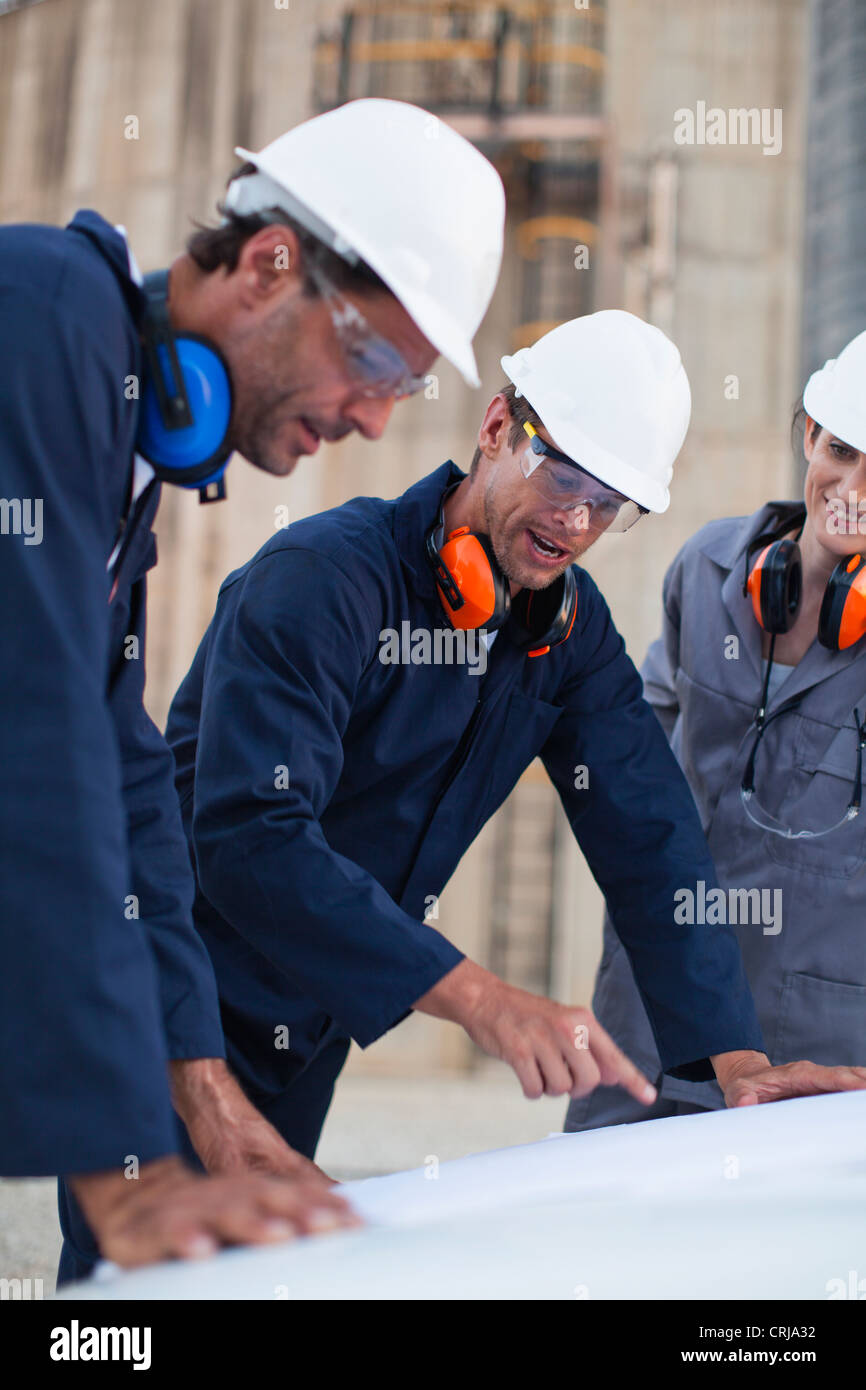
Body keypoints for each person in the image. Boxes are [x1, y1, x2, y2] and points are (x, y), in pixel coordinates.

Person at [164, 310, 866, 1182]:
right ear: (497, 426)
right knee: (139, 1282)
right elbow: (249, 837)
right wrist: (481, 1001)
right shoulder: (319, 580)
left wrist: (736, 1064)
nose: (578, 520)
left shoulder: (563, 632)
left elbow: (651, 841)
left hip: (314, 1011)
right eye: (566, 473)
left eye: (610, 503)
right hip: (174, 997)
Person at [0, 97, 505, 1278]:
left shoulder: (115, 455)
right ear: (270, 263)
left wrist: (206, 1104)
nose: (375, 417)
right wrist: (124, 1171)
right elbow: (36, 739)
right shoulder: (45, 320)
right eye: (371, 360)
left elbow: (124, 780)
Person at [566, 328, 866, 1136]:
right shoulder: (705, 571)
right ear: (808, 432)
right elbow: (638, 779)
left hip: (803, 1064)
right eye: (842, 449)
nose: (854, 488)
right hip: (648, 1020)